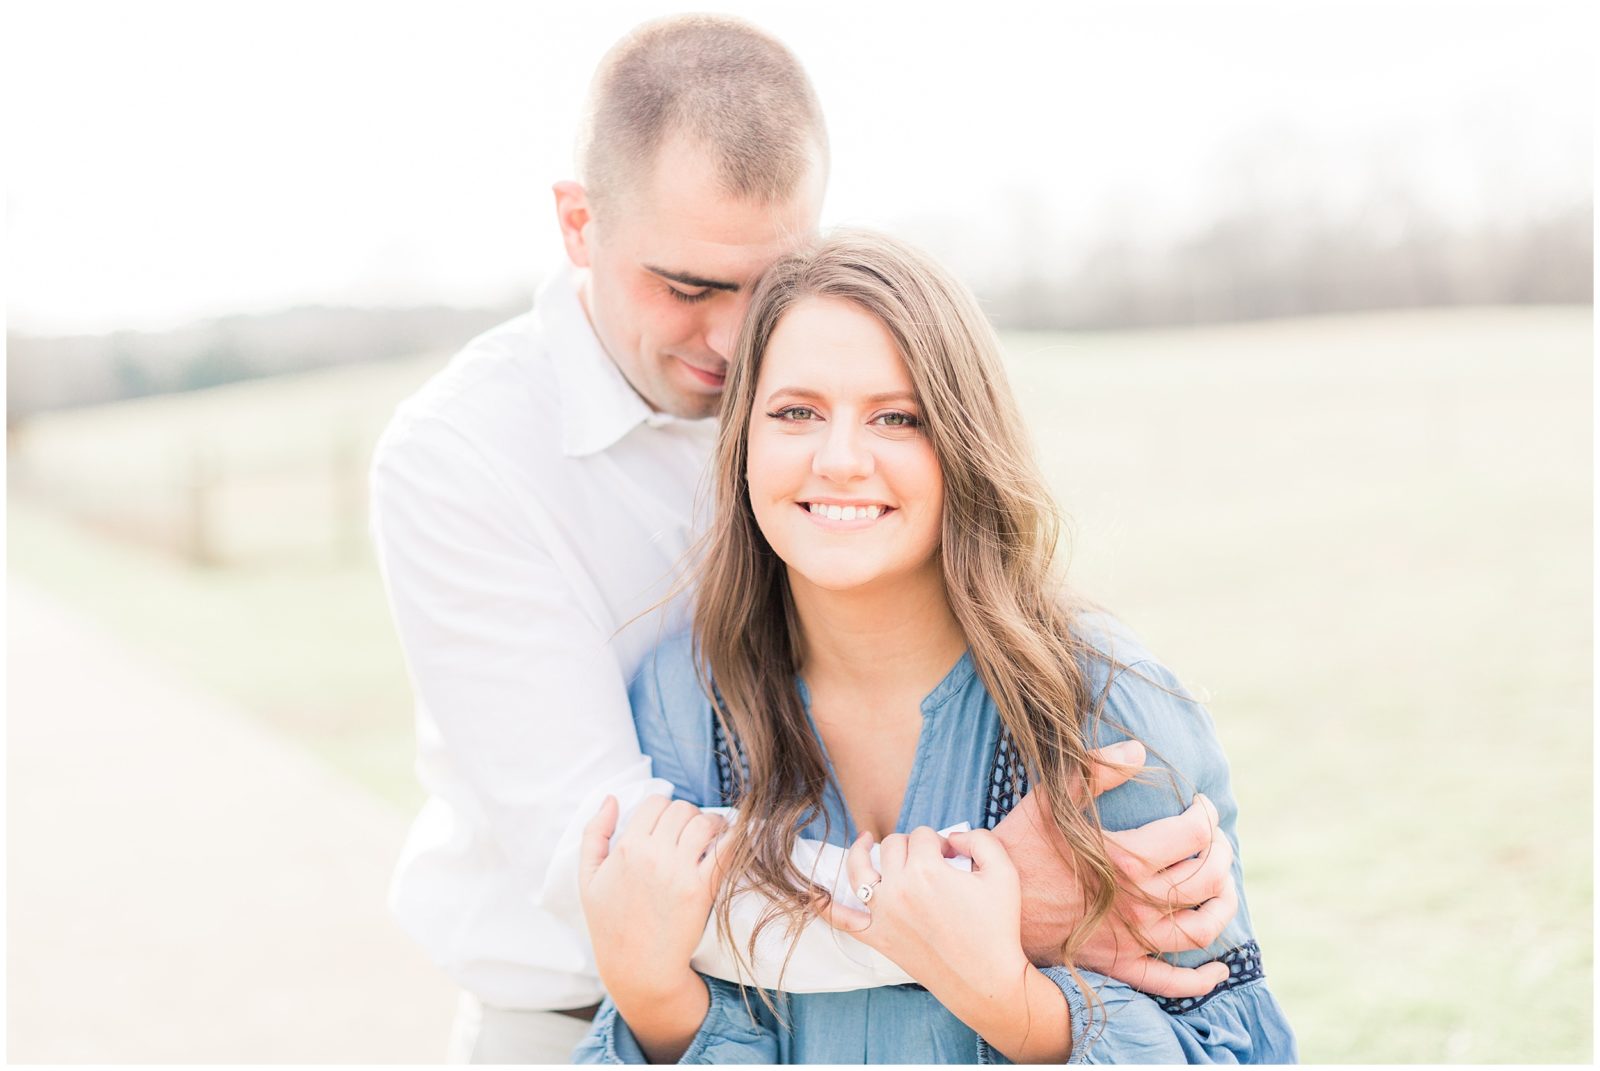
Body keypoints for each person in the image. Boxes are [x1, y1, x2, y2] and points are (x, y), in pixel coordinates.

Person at [371, 15, 1240, 1064]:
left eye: (769, 281)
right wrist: (979, 907)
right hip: (581, 1023)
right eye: (688, 286)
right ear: (576, 223)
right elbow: (602, 865)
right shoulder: (460, 458)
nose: (735, 339)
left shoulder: (826, 397)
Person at [573, 230, 1297, 1063]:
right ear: (743, 442)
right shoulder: (684, 697)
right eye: (796, 412)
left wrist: (1012, 1003)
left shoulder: (1105, 709)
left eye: (896, 417)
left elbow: (1230, 1047)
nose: (839, 459)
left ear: (962, 440)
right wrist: (653, 1003)